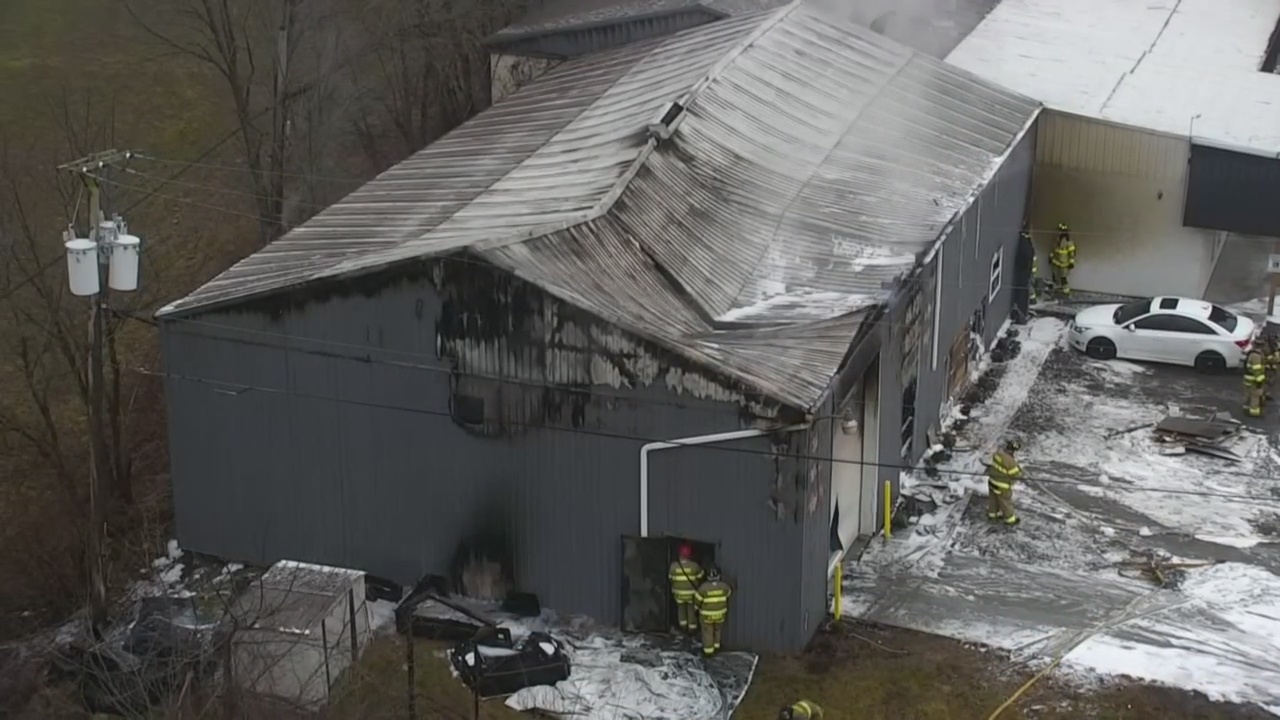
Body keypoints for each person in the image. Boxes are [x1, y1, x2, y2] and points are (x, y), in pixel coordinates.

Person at [694, 566, 732, 656]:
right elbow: (728, 594)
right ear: (719, 575)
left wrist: (696, 609)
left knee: (708, 632)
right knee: (718, 630)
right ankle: (717, 646)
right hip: (720, 614)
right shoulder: (724, 586)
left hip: (707, 616)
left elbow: (697, 601)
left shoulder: (703, 588)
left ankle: (708, 652)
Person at [987, 437, 1024, 526]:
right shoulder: (1011, 462)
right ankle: (1010, 520)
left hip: (992, 482)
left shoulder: (997, 454)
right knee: (1005, 503)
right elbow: (1016, 475)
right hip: (1002, 486)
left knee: (993, 500)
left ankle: (992, 515)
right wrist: (1019, 470)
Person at [668, 543, 703, 634]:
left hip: (678, 593)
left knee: (681, 609)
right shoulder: (694, 566)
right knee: (691, 610)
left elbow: (670, 578)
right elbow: (701, 576)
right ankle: (692, 629)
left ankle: (683, 627)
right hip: (691, 594)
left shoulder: (673, 566)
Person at [1050, 223, 1076, 297]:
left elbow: (1072, 253)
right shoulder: (1057, 240)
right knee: (1055, 278)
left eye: (1062, 231)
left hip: (1064, 264)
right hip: (1056, 262)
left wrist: (1071, 262)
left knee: (1063, 279)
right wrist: (1051, 257)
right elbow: (1053, 249)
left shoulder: (1068, 242)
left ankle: (1066, 293)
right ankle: (1056, 293)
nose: (1060, 232)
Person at [1244, 347, 1267, 418]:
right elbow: (1257, 370)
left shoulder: (1253, 354)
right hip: (1254, 380)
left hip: (1249, 379)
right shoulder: (1256, 356)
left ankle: (1247, 408)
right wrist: (1259, 381)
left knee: (1249, 394)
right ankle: (1254, 412)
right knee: (1255, 396)